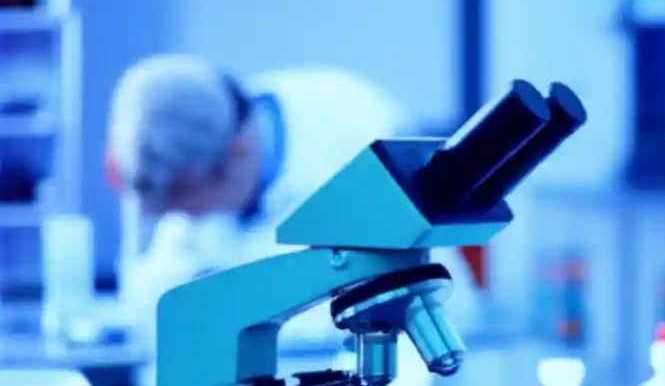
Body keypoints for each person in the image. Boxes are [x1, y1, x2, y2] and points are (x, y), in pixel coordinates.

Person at [105, 54, 483, 348]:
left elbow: (364, 310)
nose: (183, 219)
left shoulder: (351, 131)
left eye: (185, 204)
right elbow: (155, 300)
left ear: (236, 154)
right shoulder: (196, 137)